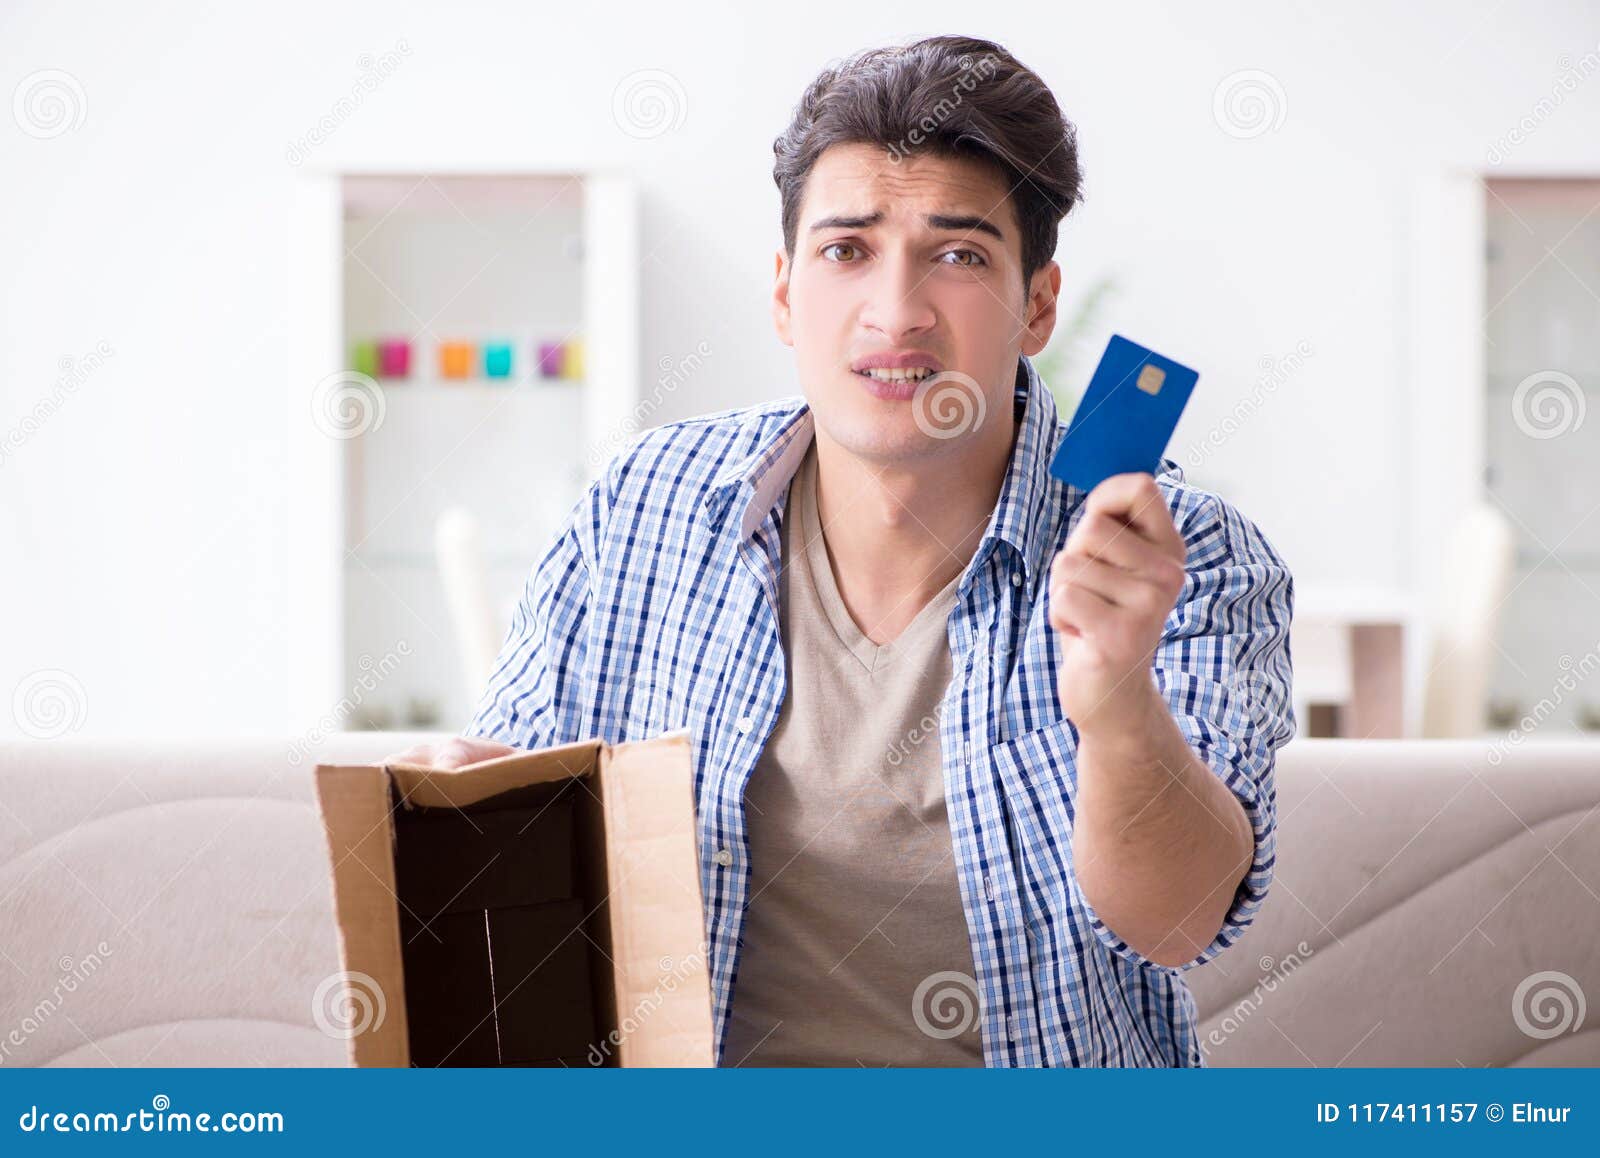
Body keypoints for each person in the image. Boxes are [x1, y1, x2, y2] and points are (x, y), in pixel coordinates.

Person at [387, 34, 1295, 1067]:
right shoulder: (636, 510)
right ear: (783, 292)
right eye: (845, 249)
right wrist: (476, 811)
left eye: (958, 255)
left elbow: (1174, 927)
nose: (895, 312)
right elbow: (517, 833)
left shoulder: (1189, 558)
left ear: (1037, 304)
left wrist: (1117, 701)